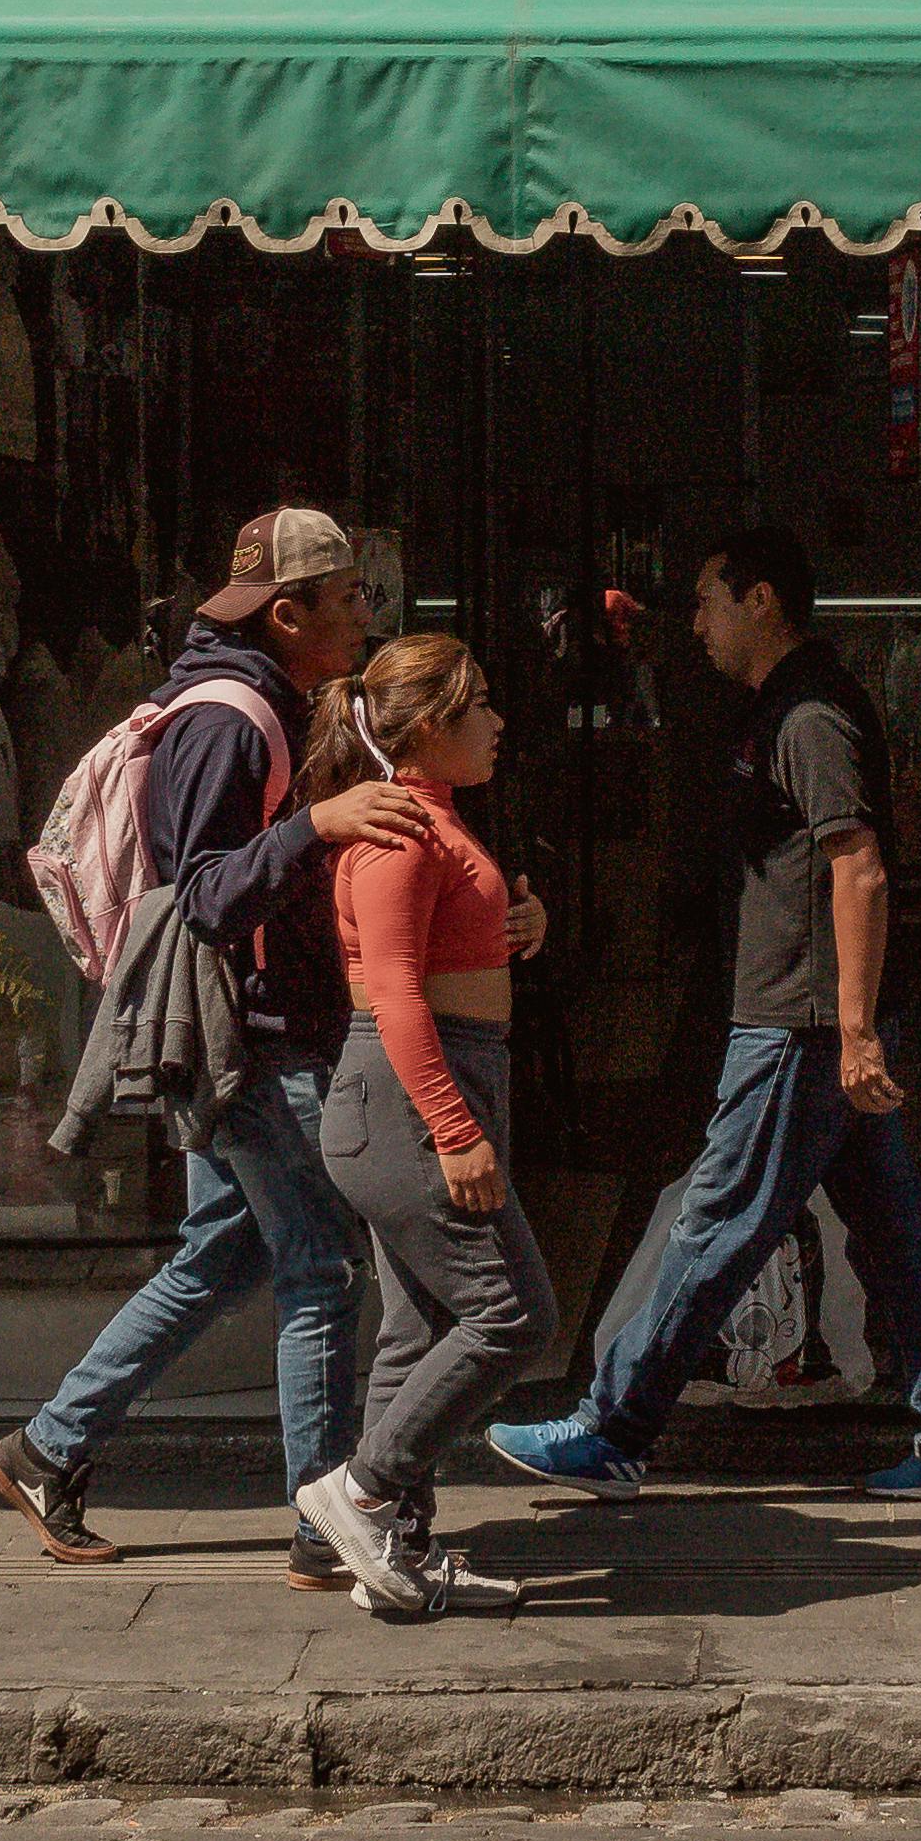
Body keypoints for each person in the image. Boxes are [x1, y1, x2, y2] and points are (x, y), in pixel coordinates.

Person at [491, 523, 921, 1510]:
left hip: (798, 1023)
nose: (698, 622)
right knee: (895, 1224)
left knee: (717, 1217)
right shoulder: (786, 709)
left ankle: (613, 1424)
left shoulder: (809, 717)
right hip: (802, 1014)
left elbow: (861, 866)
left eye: (710, 599)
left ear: (762, 601)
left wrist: (850, 1026)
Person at [0, 508, 422, 1581]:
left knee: (223, 1251)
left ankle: (46, 1448)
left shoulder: (268, 700)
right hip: (250, 1038)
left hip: (250, 1028)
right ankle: (326, 1529)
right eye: (351, 597)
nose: (368, 613)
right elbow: (206, 894)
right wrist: (318, 825)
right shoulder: (230, 719)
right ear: (289, 612)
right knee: (320, 1270)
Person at [291, 634, 559, 1621]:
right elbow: (394, 988)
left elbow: (443, 945)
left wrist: (514, 928)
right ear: (434, 723)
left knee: (417, 1328)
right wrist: (452, 1126)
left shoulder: (436, 821)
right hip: (408, 1098)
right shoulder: (399, 829)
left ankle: (394, 1555)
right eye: (481, 703)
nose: (498, 721)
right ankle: (361, 1490)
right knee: (513, 1311)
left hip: (433, 1087)